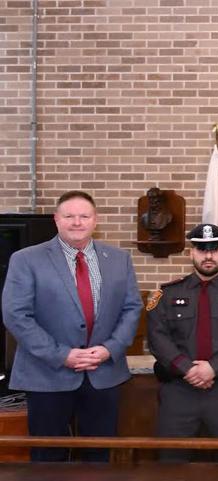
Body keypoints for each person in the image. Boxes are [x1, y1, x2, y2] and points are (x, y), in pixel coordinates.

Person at [2, 191, 142, 462]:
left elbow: (132, 308)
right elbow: (16, 315)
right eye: (69, 216)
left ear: (95, 220)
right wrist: (61, 355)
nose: (77, 222)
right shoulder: (26, 259)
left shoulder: (119, 259)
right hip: (46, 375)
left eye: (84, 216)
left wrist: (108, 349)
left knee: (99, 457)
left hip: (103, 374)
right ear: (56, 219)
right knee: (47, 458)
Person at [146, 223, 218, 462]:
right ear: (191, 252)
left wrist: (214, 368)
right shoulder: (168, 294)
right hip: (179, 391)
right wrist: (187, 369)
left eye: (215, 248)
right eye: (202, 249)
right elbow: (157, 337)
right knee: (171, 465)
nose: (208, 256)